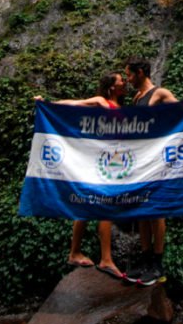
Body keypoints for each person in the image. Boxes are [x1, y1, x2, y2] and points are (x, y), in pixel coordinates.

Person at [36, 72, 127, 280]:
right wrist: (47, 104)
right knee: (106, 204)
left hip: (113, 159)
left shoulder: (122, 107)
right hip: (100, 159)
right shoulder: (100, 101)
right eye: (121, 80)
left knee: (88, 204)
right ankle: (105, 259)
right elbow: (74, 104)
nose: (125, 82)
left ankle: (75, 253)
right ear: (112, 86)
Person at [124, 56, 178, 285]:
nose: (127, 80)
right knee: (142, 211)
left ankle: (157, 263)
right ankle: (146, 259)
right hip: (139, 159)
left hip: (156, 159)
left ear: (140, 73)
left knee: (156, 211)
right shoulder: (136, 97)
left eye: (129, 75)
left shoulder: (160, 94)